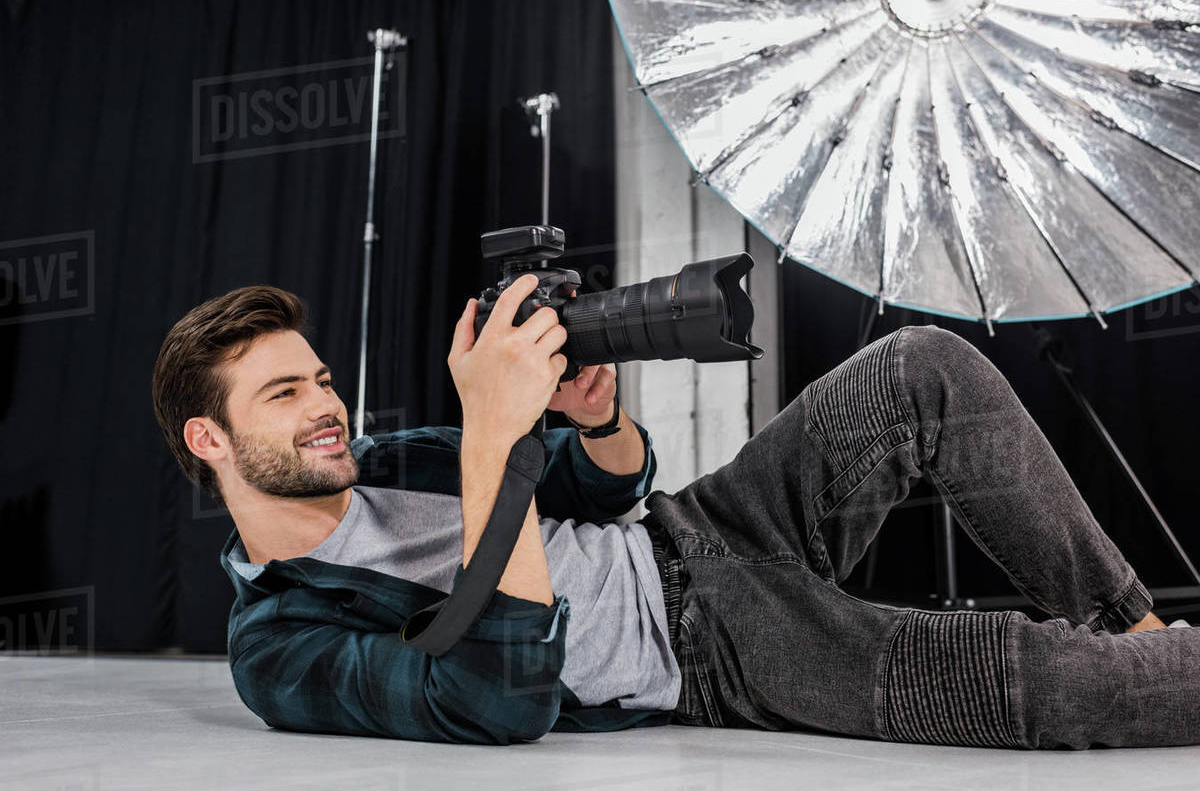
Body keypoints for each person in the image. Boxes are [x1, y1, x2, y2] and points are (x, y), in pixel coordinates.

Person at [151, 280, 1198, 749]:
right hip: (712, 652)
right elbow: (497, 700)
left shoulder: (388, 464)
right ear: (209, 440)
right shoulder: (280, 646)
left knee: (922, 366)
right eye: (284, 396)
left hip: (701, 531)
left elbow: (601, 488)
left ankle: (1139, 631)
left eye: (321, 378)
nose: (327, 406)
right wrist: (491, 444)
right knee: (1037, 681)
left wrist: (598, 426)